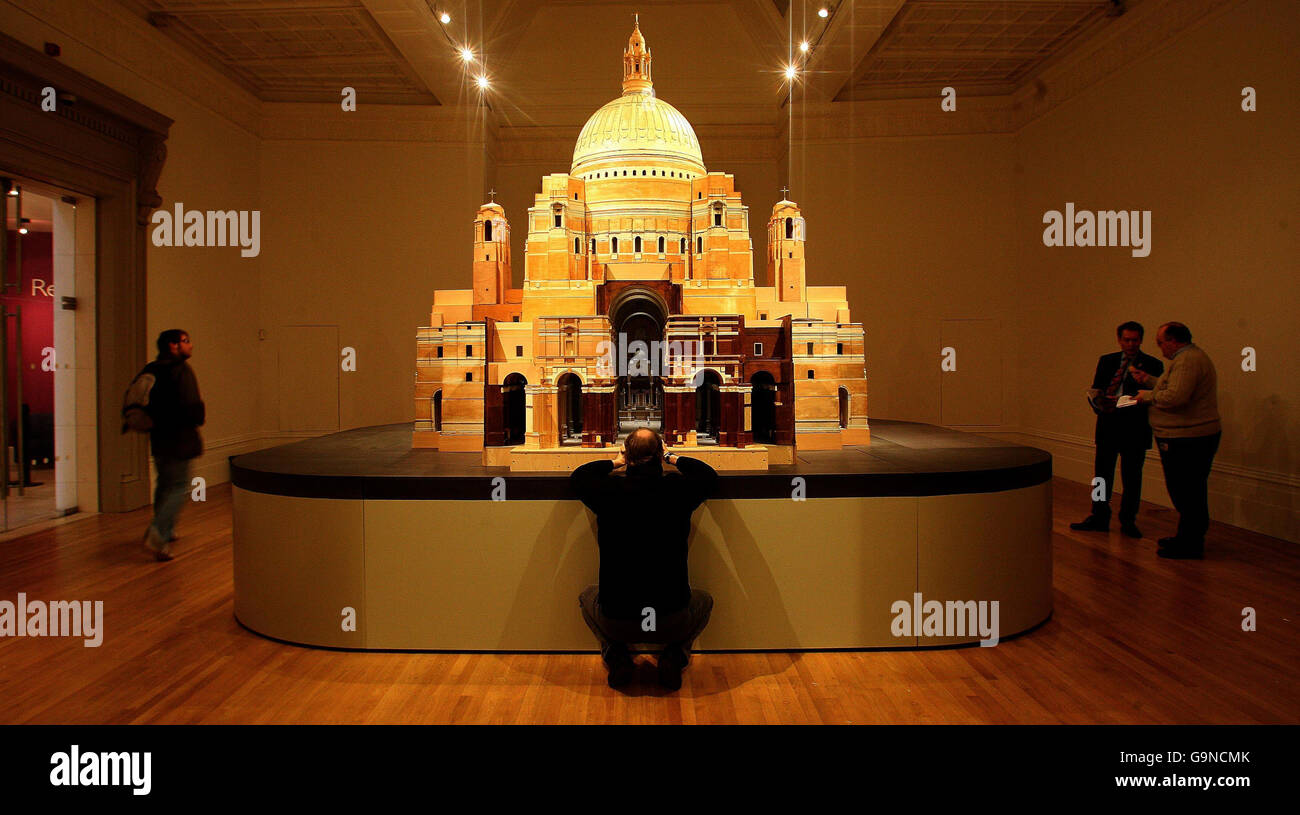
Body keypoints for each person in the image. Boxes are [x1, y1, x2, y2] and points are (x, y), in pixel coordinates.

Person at [571, 427, 717, 690]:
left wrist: (615, 462)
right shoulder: (676, 490)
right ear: (659, 454)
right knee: (704, 601)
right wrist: (672, 457)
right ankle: (674, 656)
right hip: (671, 618)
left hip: (617, 618)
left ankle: (616, 657)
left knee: (587, 597)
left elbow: (580, 476)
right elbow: (707, 476)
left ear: (628, 454)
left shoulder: (609, 490)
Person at [1131, 322, 1220, 559]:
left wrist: (1146, 396)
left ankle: (1190, 542)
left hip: (1188, 437)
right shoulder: (1188, 358)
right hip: (1188, 435)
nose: (1160, 349)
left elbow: (1175, 397)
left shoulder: (1187, 360)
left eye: (1161, 342)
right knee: (1189, 489)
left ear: (1173, 341)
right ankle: (1187, 536)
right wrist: (1150, 380)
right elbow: (1172, 387)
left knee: (1186, 490)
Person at [1071, 321, 1163, 538]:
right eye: (1126, 340)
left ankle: (1128, 520)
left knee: (1132, 477)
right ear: (1119, 340)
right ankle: (1099, 515)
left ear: (1141, 340)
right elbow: (1098, 387)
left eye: (1135, 340)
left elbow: (1152, 396)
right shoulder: (1107, 361)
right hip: (1108, 425)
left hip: (1135, 428)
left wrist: (1123, 401)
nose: (1130, 344)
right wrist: (1101, 401)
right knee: (1102, 475)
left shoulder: (1152, 365)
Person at [141, 330, 205, 561]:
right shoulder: (181, 370)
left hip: (158, 437)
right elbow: (192, 407)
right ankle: (158, 533)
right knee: (179, 487)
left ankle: (164, 529)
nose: (191, 345)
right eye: (186, 341)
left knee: (164, 484)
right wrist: (198, 417)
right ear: (173, 345)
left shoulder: (152, 369)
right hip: (180, 438)